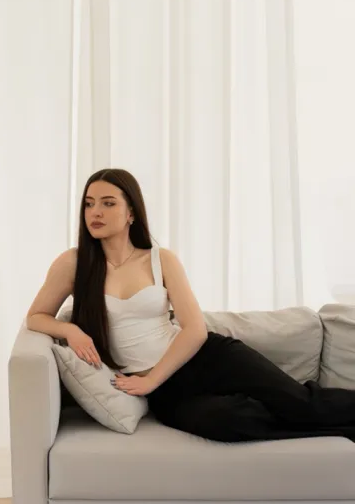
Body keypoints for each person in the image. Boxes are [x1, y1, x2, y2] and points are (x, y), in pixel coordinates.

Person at [28, 167, 355, 444]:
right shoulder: (73, 264)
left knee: (300, 404)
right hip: (168, 392)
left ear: (131, 213)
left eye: (107, 203)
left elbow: (195, 329)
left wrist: (152, 378)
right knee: (230, 423)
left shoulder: (160, 260)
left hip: (207, 358)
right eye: (89, 204)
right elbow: (36, 317)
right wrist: (68, 329)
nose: (95, 212)